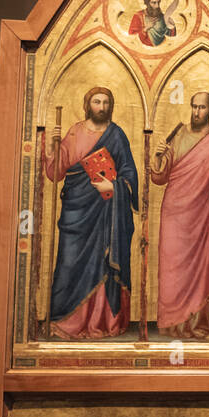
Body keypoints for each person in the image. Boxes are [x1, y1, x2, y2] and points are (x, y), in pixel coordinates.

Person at [149, 91, 209, 339]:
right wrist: (158, 157)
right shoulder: (178, 135)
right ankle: (177, 323)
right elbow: (160, 178)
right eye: (194, 107)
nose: (196, 112)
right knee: (175, 267)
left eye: (201, 108)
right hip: (175, 213)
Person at [43, 86, 139, 339]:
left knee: (102, 264)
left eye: (106, 102)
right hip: (76, 208)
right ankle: (65, 320)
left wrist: (115, 187)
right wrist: (53, 150)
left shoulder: (116, 135)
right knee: (69, 261)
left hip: (106, 212)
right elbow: (56, 172)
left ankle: (103, 322)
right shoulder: (74, 131)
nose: (102, 107)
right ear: (88, 104)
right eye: (97, 101)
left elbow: (129, 172)